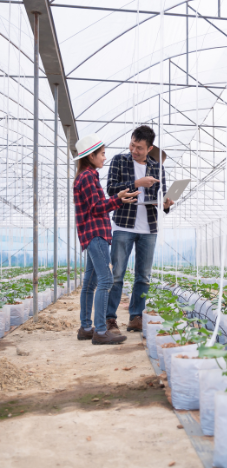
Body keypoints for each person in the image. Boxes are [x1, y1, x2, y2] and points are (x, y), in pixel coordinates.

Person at [106, 125, 174, 333]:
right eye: (132, 145)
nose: (134, 150)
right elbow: (111, 188)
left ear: (149, 148)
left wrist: (166, 204)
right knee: (117, 274)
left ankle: (136, 317)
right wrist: (138, 182)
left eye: (139, 148)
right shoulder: (119, 160)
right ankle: (110, 318)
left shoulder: (157, 167)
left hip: (149, 227)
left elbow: (161, 196)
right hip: (123, 225)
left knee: (143, 276)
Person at [73, 133, 140, 345]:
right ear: (91, 156)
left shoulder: (85, 176)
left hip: (91, 235)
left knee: (90, 282)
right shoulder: (88, 177)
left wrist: (116, 199)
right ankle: (101, 331)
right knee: (106, 280)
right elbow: (96, 207)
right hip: (96, 234)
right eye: (102, 154)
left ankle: (86, 327)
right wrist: (118, 199)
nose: (104, 158)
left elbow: (95, 206)